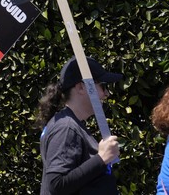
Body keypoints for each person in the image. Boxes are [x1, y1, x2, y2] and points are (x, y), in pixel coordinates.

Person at [36, 56, 121, 195]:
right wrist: (101, 159)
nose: (106, 93)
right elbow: (56, 184)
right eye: (103, 86)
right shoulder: (66, 128)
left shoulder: (69, 124)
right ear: (81, 87)